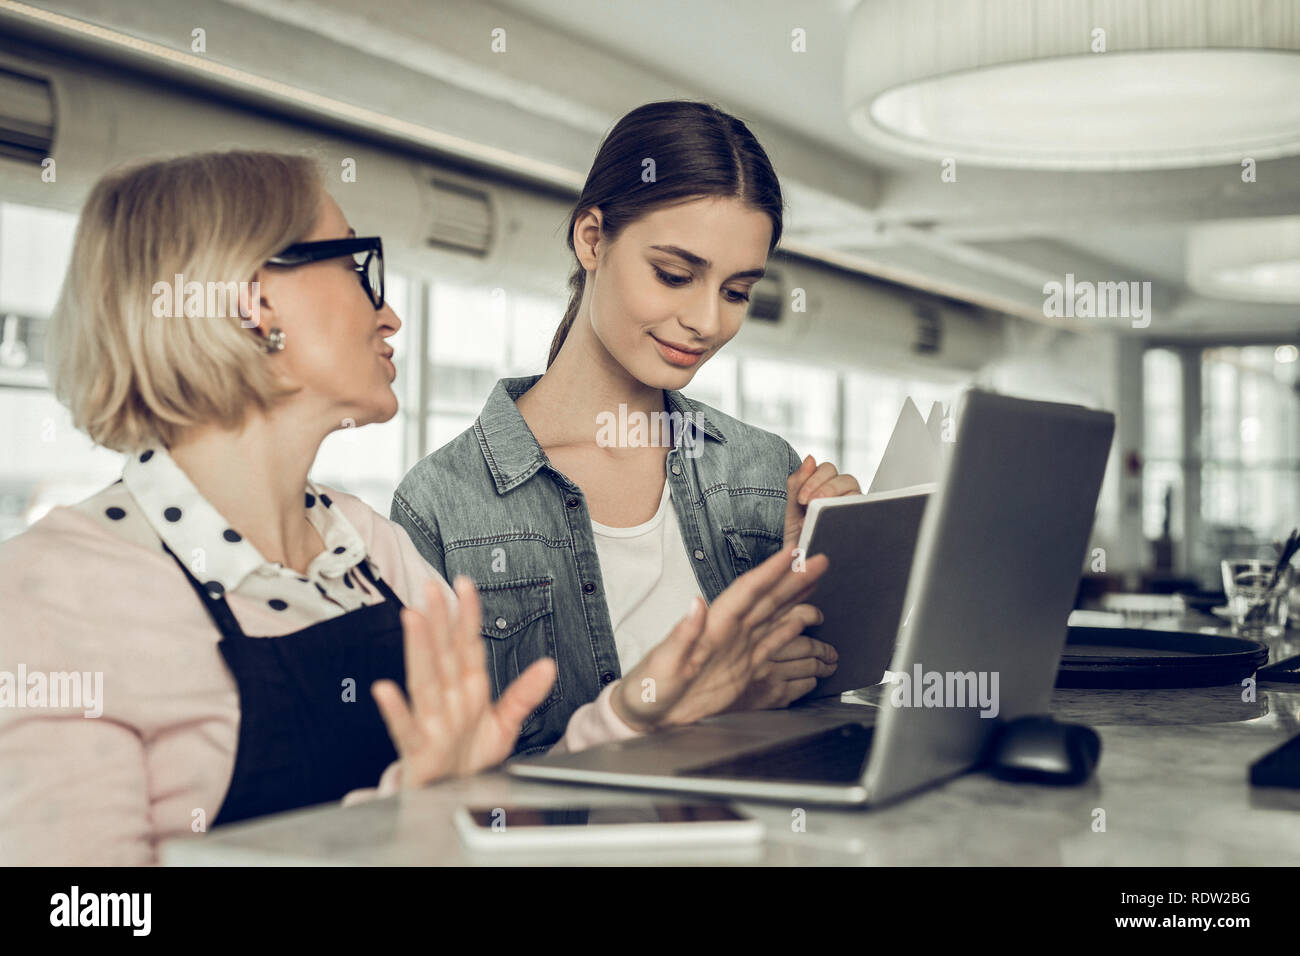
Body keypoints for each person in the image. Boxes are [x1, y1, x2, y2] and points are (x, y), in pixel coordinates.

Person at [0, 150, 826, 865]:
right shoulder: (55, 595)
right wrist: (399, 821)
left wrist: (639, 709)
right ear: (258, 303)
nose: (388, 313)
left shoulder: (371, 551)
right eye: (359, 269)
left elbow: (498, 818)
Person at [391, 101, 860, 756]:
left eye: (736, 292)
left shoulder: (763, 470)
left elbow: (819, 715)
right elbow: (439, 784)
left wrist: (829, 580)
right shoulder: (443, 503)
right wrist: (692, 705)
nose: (706, 321)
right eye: (674, 275)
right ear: (592, 239)